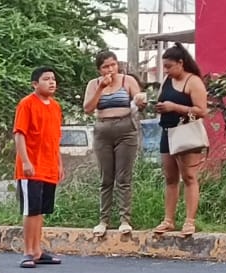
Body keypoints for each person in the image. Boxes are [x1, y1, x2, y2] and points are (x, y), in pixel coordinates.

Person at [83, 51, 147, 236]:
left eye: (113, 65)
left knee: (123, 177)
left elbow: (138, 100)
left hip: (125, 128)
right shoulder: (94, 84)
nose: (110, 69)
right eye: (105, 67)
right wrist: (100, 88)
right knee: (106, 178)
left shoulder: (127, 80)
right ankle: (103, 220)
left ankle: (125, 219)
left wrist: (140, 100)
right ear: (99, 69)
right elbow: (88, 108)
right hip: (103, 130)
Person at [153, 43, 209, 237]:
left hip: (185, 133)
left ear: (181, 63)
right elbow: (162, 101)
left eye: (169, 66)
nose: (166, 70)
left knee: (189, 177)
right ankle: (168, 219)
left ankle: (189, 221)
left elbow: (202, 111)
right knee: (170, 178)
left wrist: (175, 107)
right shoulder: (166, 80)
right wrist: (158, 106)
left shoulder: (193, 82)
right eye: (165, 67)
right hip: (167, 132)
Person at [13, 66, 64, 268]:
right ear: (35, 84)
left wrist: (59, 163)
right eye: (46, 79)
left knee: (41, 210)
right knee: (31, 210)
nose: (51, 82)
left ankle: (38, 250)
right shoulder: (27, 104)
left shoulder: (55, 107)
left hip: (49, 166)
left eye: (53, 79)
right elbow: (19, 134)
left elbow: (55, 138)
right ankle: (28, 251)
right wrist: (25, 161)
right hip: (31, 166)